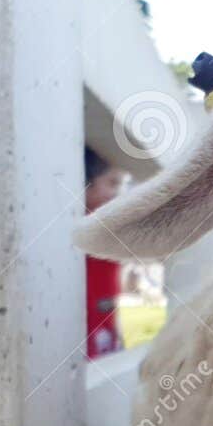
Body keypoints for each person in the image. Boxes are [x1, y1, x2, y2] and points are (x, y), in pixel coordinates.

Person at [84, 147, 127, 359]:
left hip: (105, 321)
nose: (117, 194)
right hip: (89, 330)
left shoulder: (104, 224)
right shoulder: (92, 223)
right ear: (85, 186)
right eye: (112, 184)